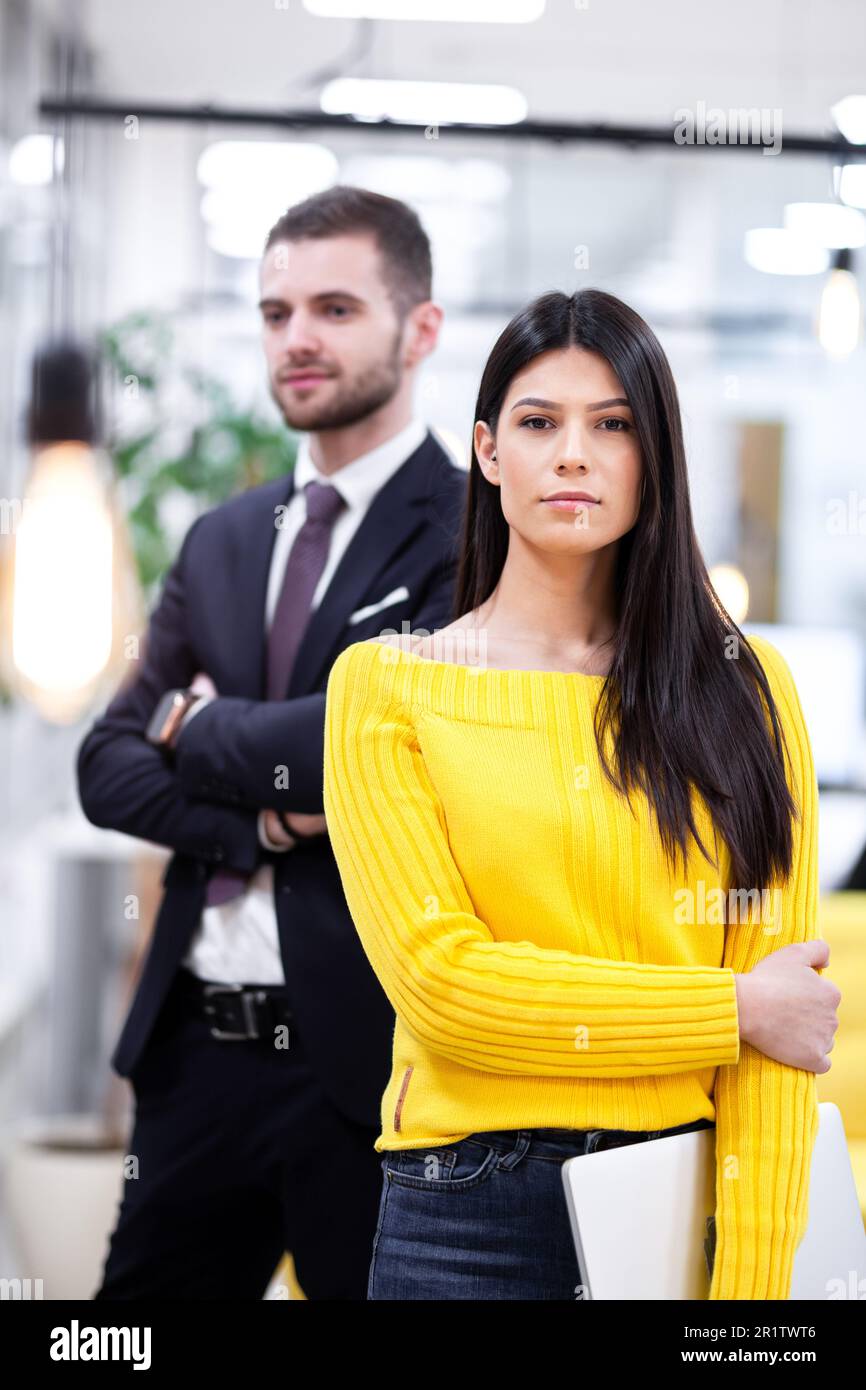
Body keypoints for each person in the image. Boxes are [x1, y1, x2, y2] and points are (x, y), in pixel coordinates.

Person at [322, 286, 841, 1301]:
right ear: (484, 451)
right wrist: (733, 1007)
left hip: (679, 1192)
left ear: (654, 459)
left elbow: (784, 1049)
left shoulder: (745, 688)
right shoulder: (387, 687)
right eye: (536, 422)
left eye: (611, 425)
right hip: (464, 1212)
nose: (572, 455)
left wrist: (747, 1306)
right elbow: (447, 991)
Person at [76, 185, 466, 1299]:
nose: (296, 337)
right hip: (194, 1057)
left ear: (419, 328)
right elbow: (106, 761)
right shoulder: (222, 538)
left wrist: (193, 727)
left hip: (367, 1069)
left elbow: (390, 749)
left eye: (335, 308)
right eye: (274, 311)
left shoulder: (470, 536)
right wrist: (260, 812)